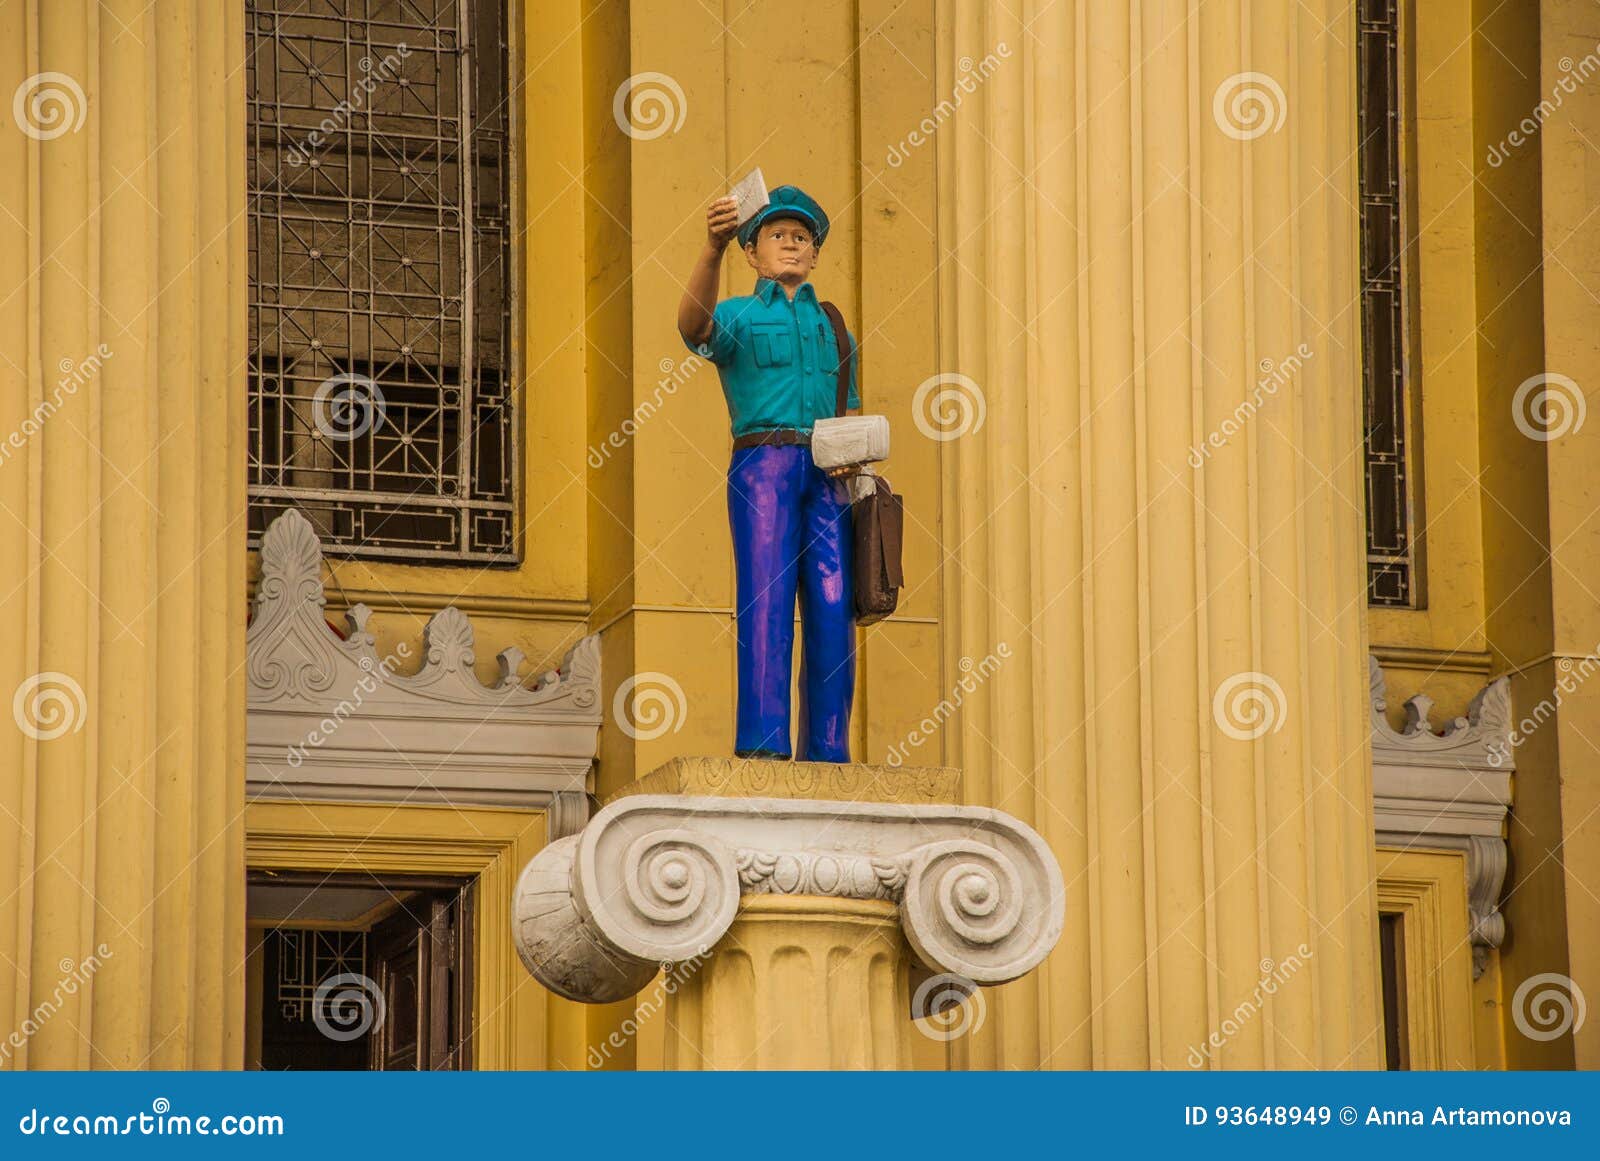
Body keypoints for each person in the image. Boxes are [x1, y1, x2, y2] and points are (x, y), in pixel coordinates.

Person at [676, 184, 860, 762]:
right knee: (767, 597)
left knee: (834, 604)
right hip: (764, 464)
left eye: (801, 237)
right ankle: (763, 740)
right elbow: (694, 327)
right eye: (777, 235)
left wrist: (858, 469)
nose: (790, 245)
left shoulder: (833, 325)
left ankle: (829, 747)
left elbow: (848, 405)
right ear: (752, 253)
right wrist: (711, 250)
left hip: (830, 469)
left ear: (815, 254)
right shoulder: (738, 314)